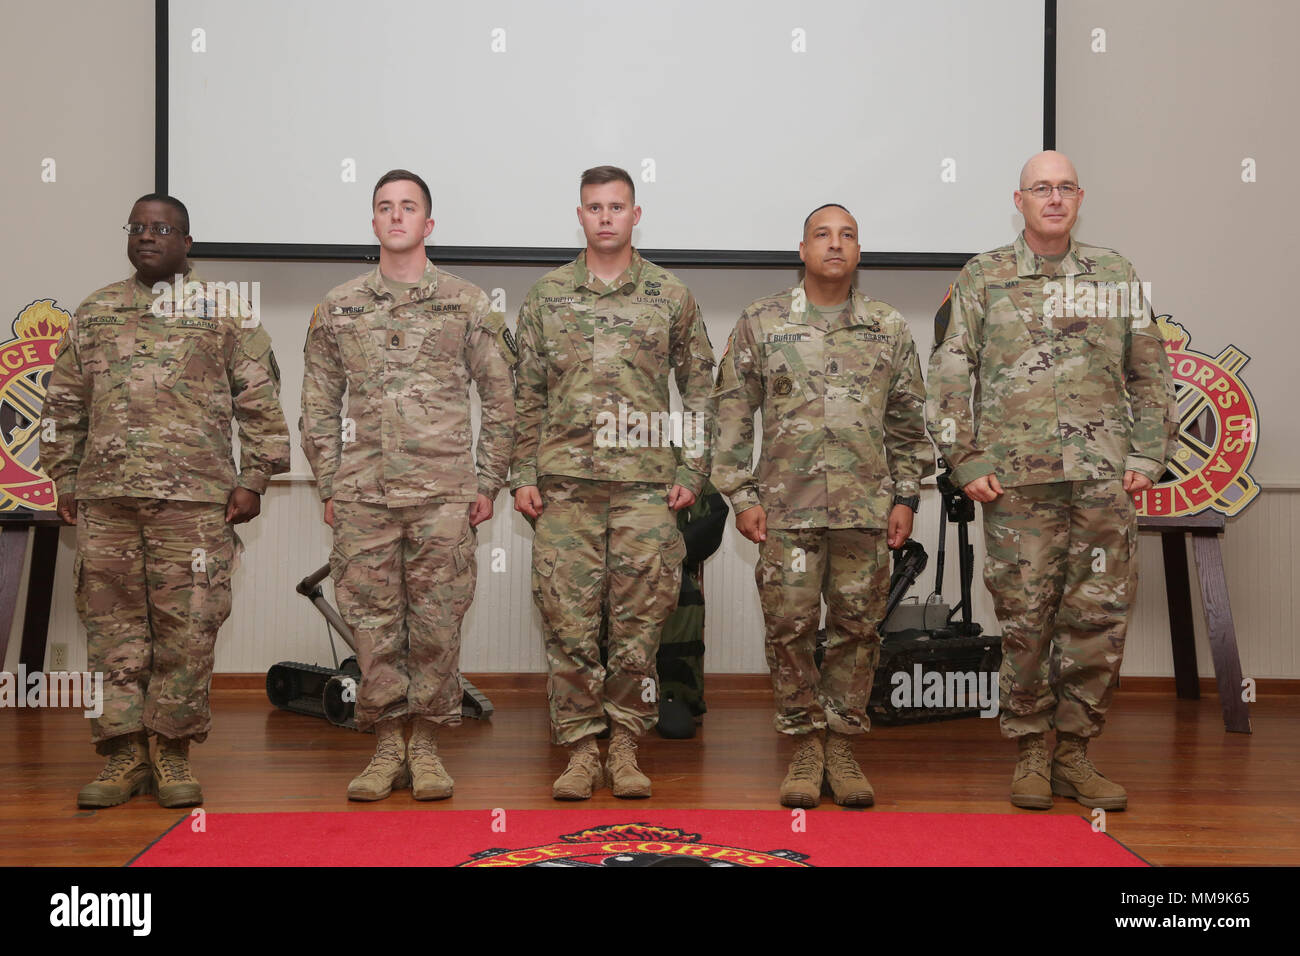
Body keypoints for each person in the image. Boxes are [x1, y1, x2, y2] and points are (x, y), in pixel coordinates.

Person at [926, 151, 1178, 811]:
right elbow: (950, 373)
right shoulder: (985, 275)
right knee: (1025, 619)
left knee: (1097, 619)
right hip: (1018, 485)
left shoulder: (1115, 273)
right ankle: (1031, 753)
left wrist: (1147, 456)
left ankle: (1075, 754)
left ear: (1080, 197)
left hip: (1103, 480)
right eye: (1042, 188)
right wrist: (965, 460)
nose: (1055, 198)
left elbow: (1150, 371)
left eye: (1065, 187)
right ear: (1020, 200)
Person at [39, 193, 290, 809]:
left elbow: (260, 401)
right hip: (107, 499)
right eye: (138, 228)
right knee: (113, 631)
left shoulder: (225, 312)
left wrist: (254, 478)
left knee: (189, 628)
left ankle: (172, 753)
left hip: (195, 503)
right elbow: (62, 404)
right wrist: (63, 478)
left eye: (162, 229)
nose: (148, 237)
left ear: (187, 241)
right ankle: (123, 753)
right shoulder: (95, 311)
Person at [300, 169, 516, 801]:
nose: (397, 217)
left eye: (409, 207)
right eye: (385, 207)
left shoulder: (468, 304)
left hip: (444, 497)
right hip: (364, 496)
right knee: (371, 625)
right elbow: (317, 403)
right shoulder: (338, 307)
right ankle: (386, 742)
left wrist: (488, 479)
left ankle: (426, 744)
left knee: (437, 625)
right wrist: (328, 485)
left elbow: (502, 398)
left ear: (428, 224)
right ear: (373, 222)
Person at [712, 203, 933, 808]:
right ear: (802, 248)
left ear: (859, 251)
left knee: (857, 630)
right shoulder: (763, 322)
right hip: (786, 512)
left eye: (848, 235)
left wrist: (908, 496)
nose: (835, 244)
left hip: (866, 511)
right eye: (822, 235)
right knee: (789, 628)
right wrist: (740, 496)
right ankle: (805, 744)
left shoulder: (887, 327)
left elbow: (909, 423)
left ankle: (842, 744)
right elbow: (731, 414)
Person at [512, 165, 716, 799]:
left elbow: (704, 387)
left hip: (645, 490)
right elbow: (525, 396)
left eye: (617, 206)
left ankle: (625, 746)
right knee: (567, 623)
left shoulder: (670, 296)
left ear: (636, 214)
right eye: (594, 207)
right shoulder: (546, 296)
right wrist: (522, 473)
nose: (605, 217)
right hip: (566, 489)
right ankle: (579, 750)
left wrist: (693, 468)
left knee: (639, 625)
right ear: (579, 215)